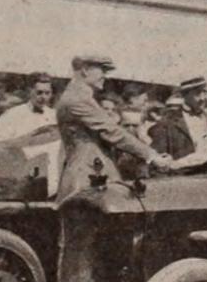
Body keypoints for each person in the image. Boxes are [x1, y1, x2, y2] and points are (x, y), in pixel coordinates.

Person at [55, 54, 169, 203]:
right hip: (89, 176)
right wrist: (151, 155)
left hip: (91, 173)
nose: (105, 76)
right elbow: (111, 132)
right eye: (102, 70)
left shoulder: (79, 97)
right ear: (85, 71)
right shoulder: (78, 99)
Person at [150, 76, 207, 160]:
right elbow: (159, 158)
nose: (203, 98)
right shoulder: (167, 123)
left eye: (205, 92)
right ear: (185, 95)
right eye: (197, 93)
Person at [0, 73, 56, 140]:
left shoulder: (54, 116)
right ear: (29, 91)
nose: (43, 97)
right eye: (39, 92)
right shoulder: (13, 114)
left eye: (47, 93)